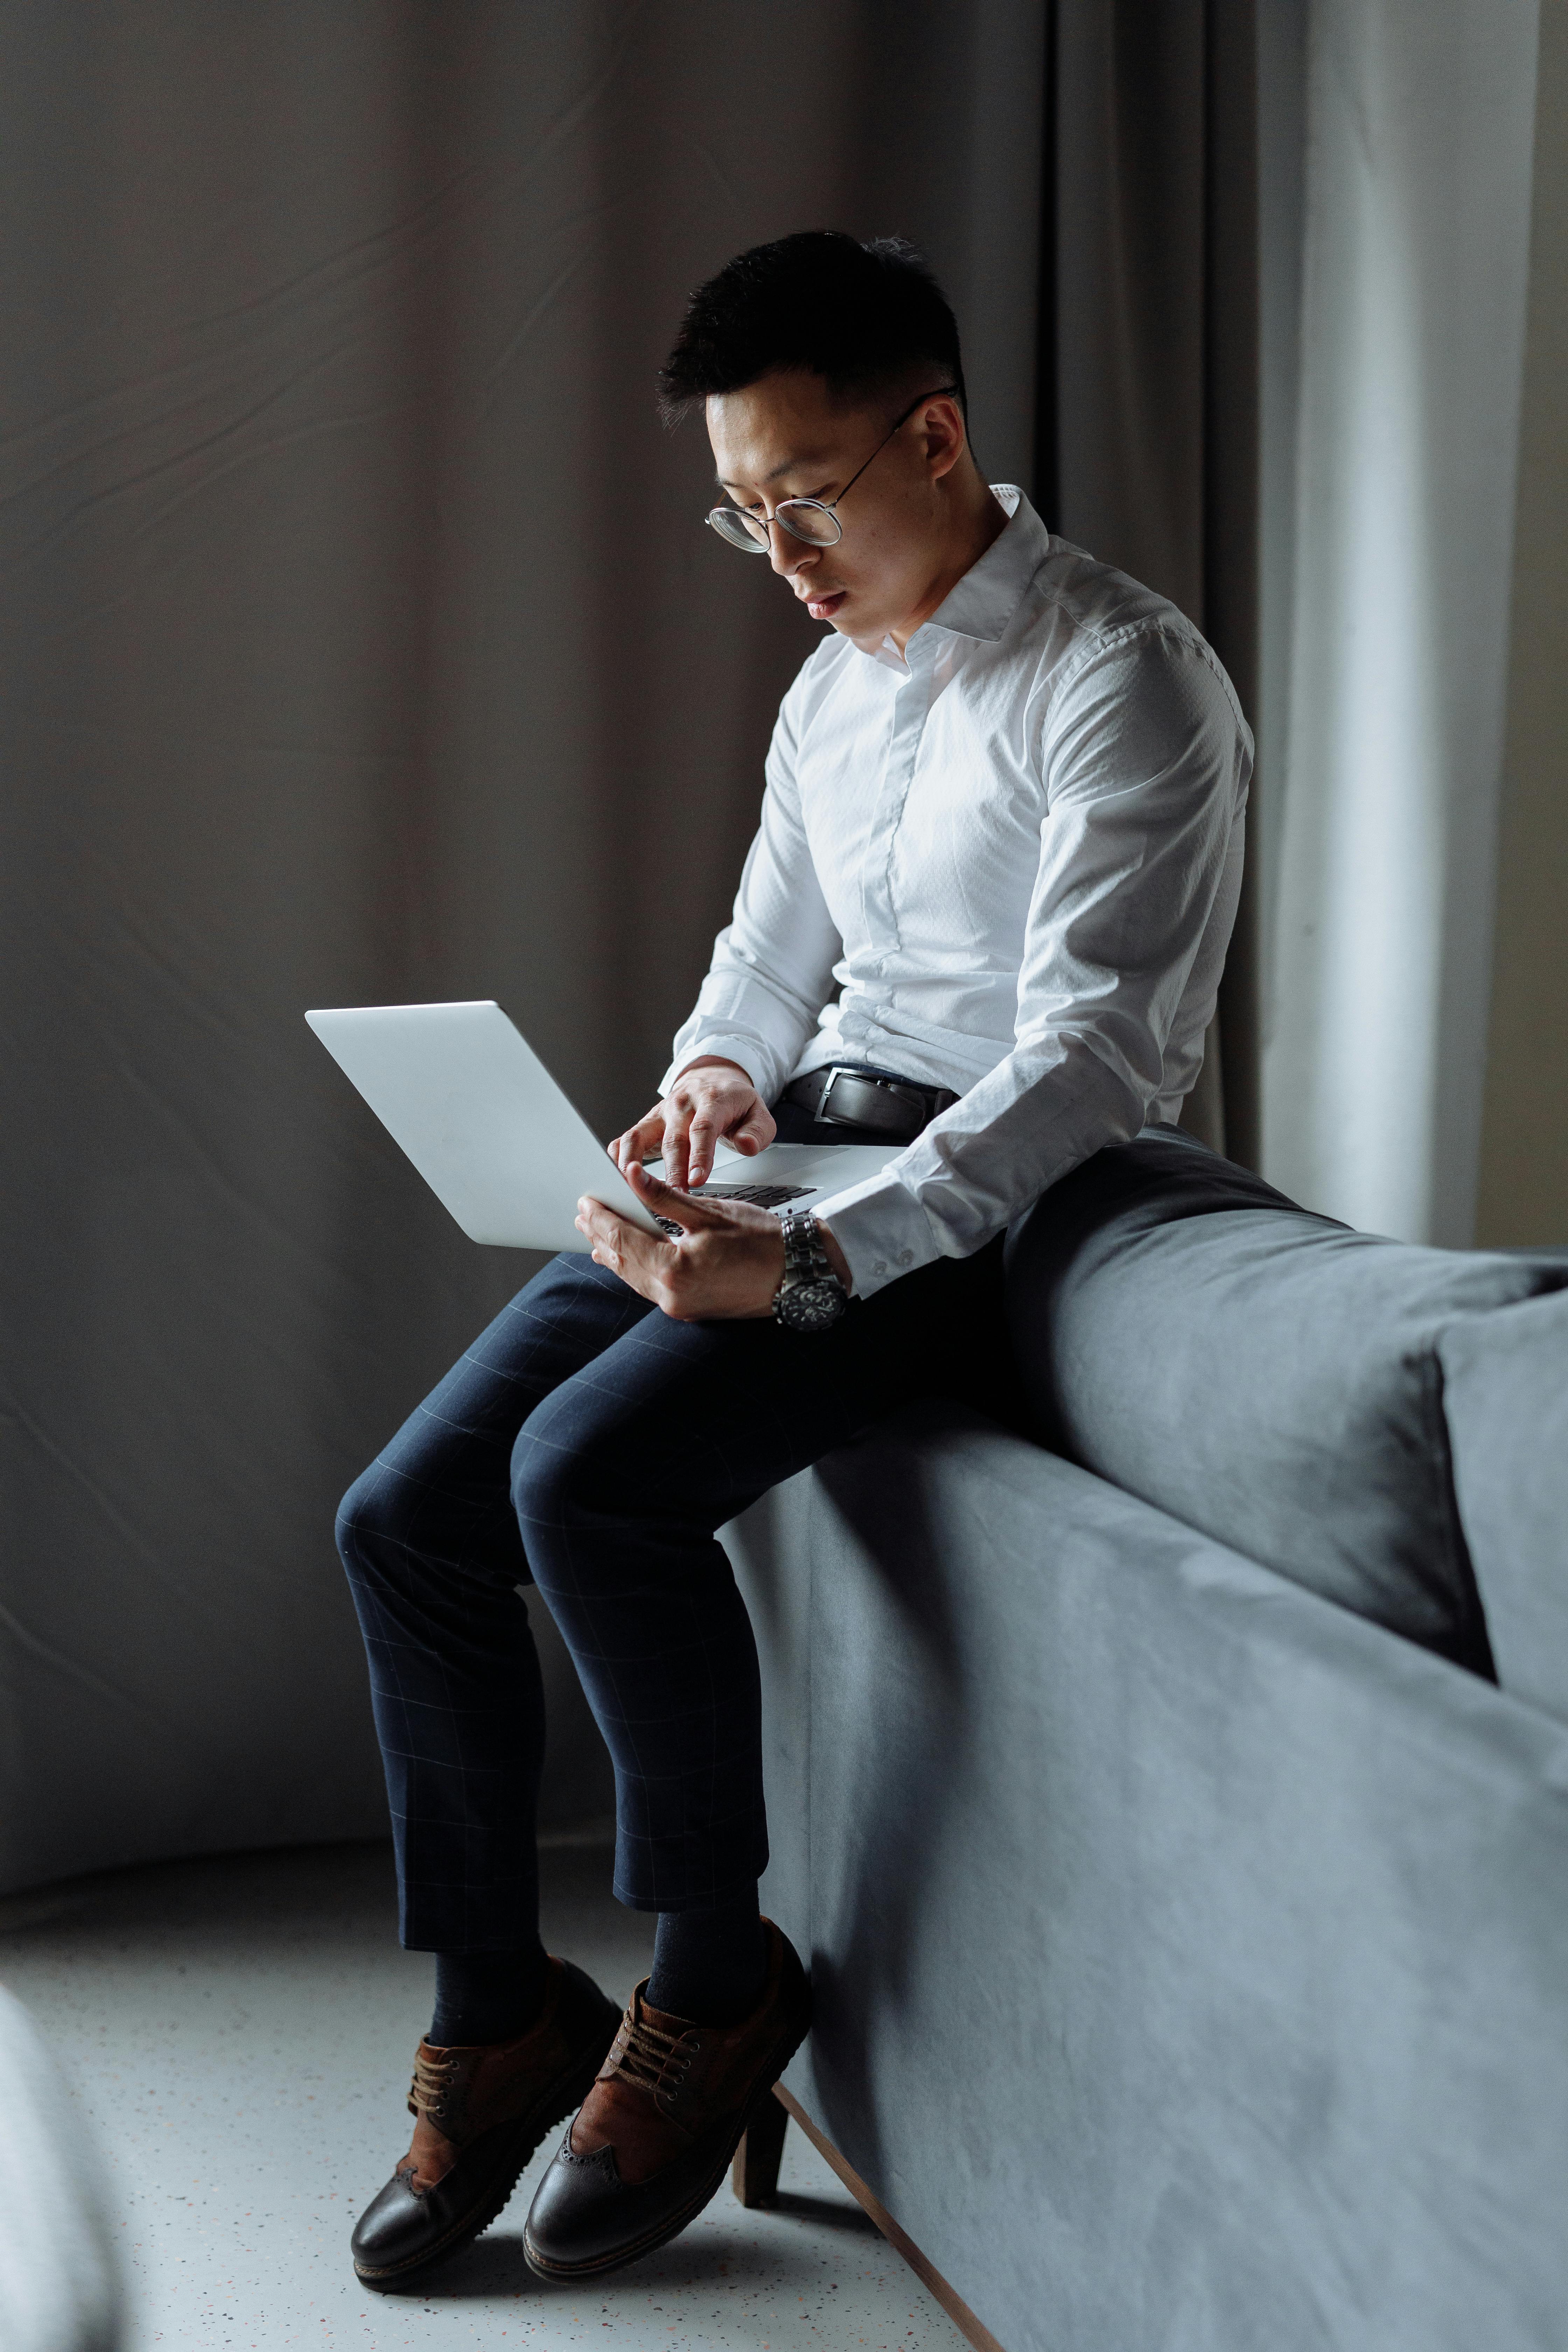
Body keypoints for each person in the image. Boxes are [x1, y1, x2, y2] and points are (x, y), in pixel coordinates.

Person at [337, 229, 1252, 2289]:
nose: (779, 554)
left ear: (934, 438)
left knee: (585, 1478)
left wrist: (822, 1263)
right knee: (403, 1518)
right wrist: (703, 1096)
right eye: (743, 513)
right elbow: (767, 965)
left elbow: (1091, 1058)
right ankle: (496, 2019)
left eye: (806, 500)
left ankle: (715, 1980)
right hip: (797, 1166)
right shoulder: (833, 687)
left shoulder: (1126, 675)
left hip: (956, 1212)